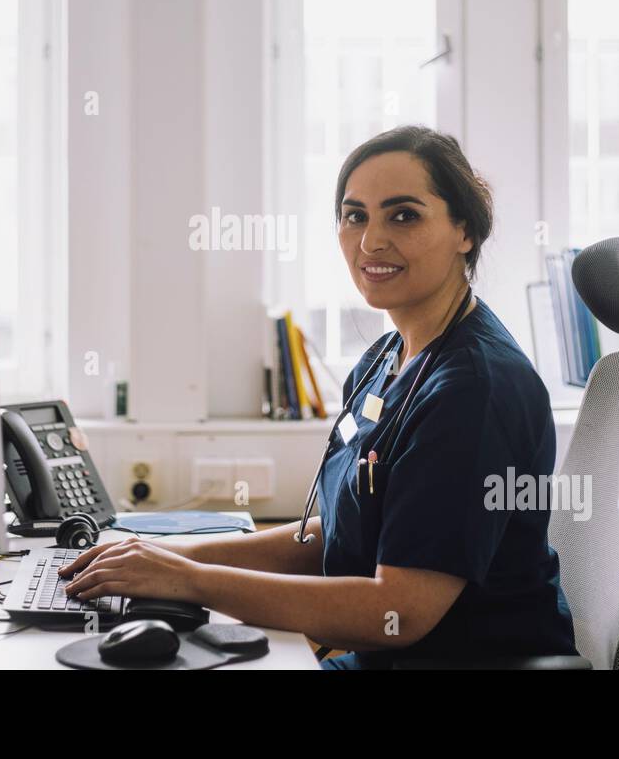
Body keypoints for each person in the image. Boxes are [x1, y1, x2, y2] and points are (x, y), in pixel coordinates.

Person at [61, 125, 577, 668]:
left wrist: (190, 580)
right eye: (355, 216)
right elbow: (339, 530)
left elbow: (396, 611)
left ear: (465, 231)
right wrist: (167, 557)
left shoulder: (474, 391)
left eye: (404, 215)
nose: (371, 241)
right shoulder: (385, 358)